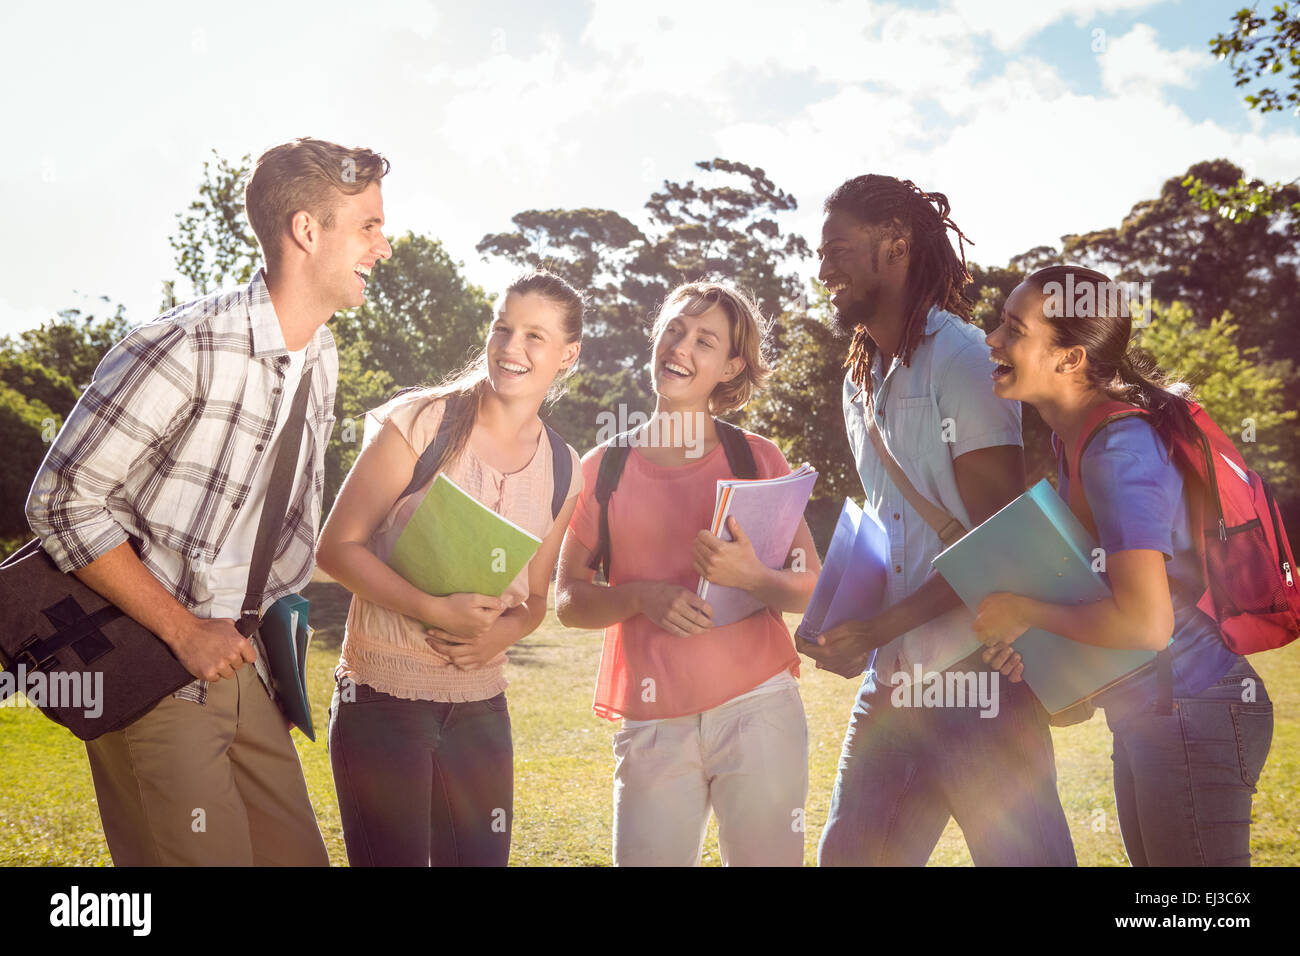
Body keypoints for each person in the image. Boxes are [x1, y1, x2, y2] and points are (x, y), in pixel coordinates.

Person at [25, 137, 392, 866]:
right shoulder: (183, 345)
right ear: (308, 231)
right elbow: (62, 501)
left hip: (243, 666)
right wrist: (185, 629)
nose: (385, 245)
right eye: (370, 226)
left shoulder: (320, 358)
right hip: (158, 665)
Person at [805, 174, 1076, 866]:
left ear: (895, 246)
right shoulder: (856, 382)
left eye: (838, 249)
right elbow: (891, 532)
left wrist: (876, 628)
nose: (822, 268)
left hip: (979, 682)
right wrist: (846, 621)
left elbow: (998, 542)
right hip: (893, 684)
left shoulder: (961, 359)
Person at [977, 265, 1274, 866]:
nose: (992, 340)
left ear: (1070, 358)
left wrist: (1020, 610)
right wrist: (1030, 638)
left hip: (1195, 711)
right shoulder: (1076, 437)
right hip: (1156, 713)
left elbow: (1145, 624)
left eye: (1014, 328)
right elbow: (1095, 595)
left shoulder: (1119, 449)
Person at [316, 269, 584, 867]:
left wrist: (504, 631)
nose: (512, 347)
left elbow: (535, 599)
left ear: (568, 355)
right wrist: (434, 610)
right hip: (381, 699)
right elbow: (336, 549)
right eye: (503, 327)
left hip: (482, 710)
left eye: (535, 336)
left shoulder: (565, 468)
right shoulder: (420, 423)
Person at [555, 280, 820, 867]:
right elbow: (568, 600)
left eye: (705, 340)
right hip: (652, 722)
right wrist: (640, 597)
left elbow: (810, 585)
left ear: (730, 367)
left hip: (759, 711)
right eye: (674, 329)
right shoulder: (604, 468)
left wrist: (752, 576)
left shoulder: (757, 458)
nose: (681, 346)